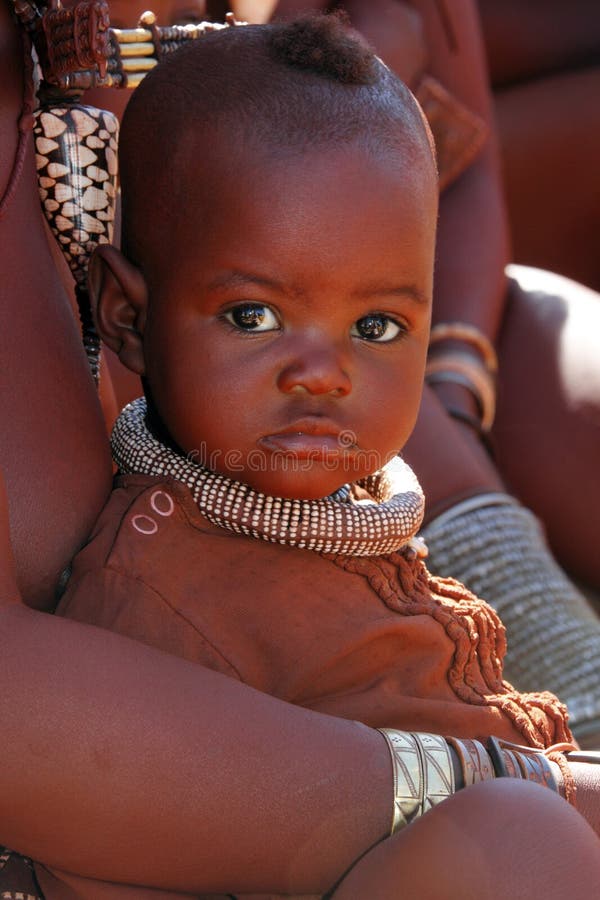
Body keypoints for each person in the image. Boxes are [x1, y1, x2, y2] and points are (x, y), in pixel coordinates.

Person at [2, 4, 600, 899]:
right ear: (127, 315)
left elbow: (445, 177)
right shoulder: (164, 600)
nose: (322, 375)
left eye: (377, 325)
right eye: (254, 318)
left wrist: (449, 394)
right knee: (521, 846)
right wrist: (519, 788)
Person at [241, 0, 600, 748]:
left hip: (429, 338)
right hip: (244, 346)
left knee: (535, 326)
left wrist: (455, 395)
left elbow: (468, 171)